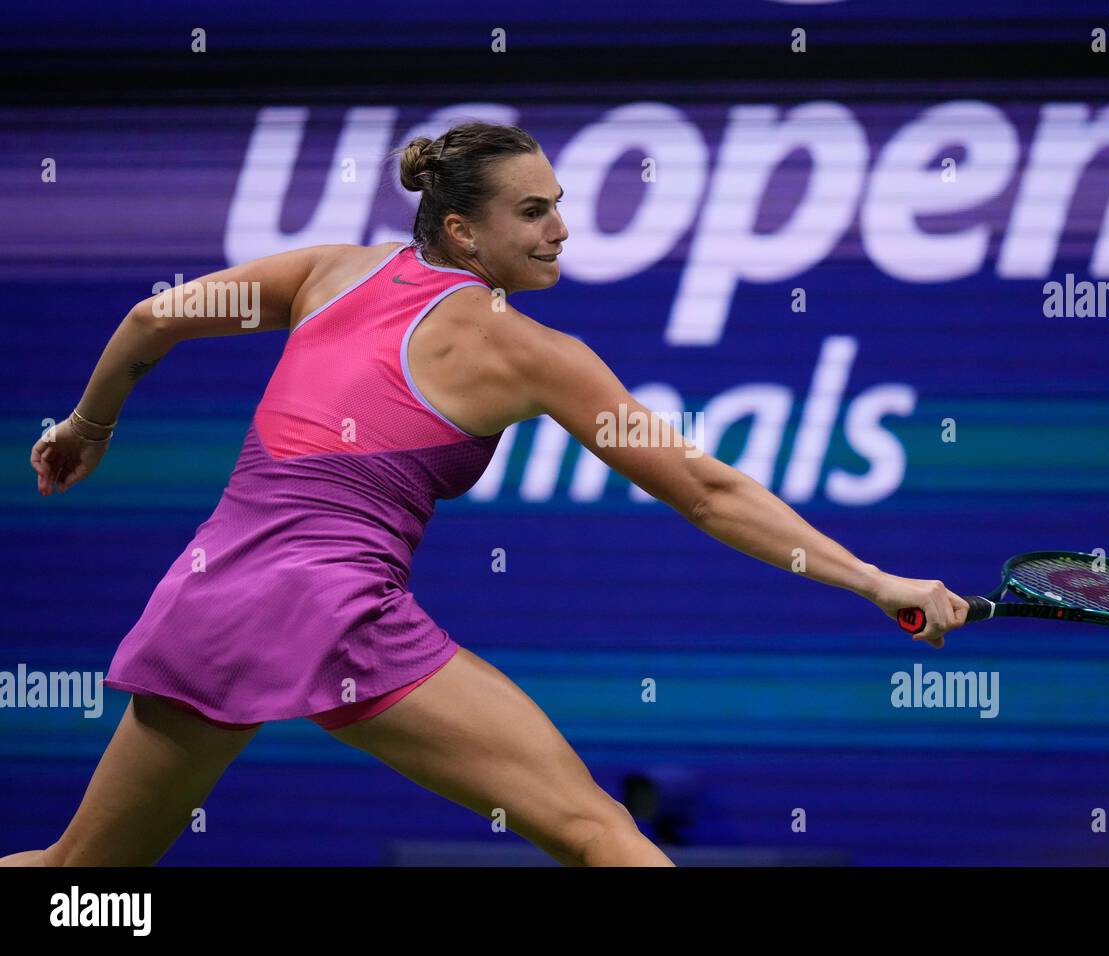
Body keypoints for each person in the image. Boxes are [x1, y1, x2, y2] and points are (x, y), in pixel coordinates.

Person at [8, 121, 968, 868]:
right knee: (594, 829)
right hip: (338, 612)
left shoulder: (329, 270)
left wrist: (88, 428)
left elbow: (150, 317)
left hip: (208, 599)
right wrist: (877, 582)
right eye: (535, 212)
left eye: (559, 204)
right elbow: (708, 491)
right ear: (464, 229)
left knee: (83, 878)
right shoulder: (531, 352)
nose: (562, 230)